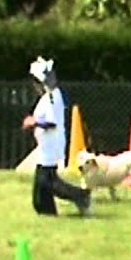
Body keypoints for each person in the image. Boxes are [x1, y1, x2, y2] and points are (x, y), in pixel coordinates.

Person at [22, 56, 92, 216]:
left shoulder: (53, 97)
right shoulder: (48, 97)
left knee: (47, 181)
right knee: (42, 182)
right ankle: (45, 209)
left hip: (51, 143)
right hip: (46, 144)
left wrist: (34, 122)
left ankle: (81, 195)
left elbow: (51, 122)